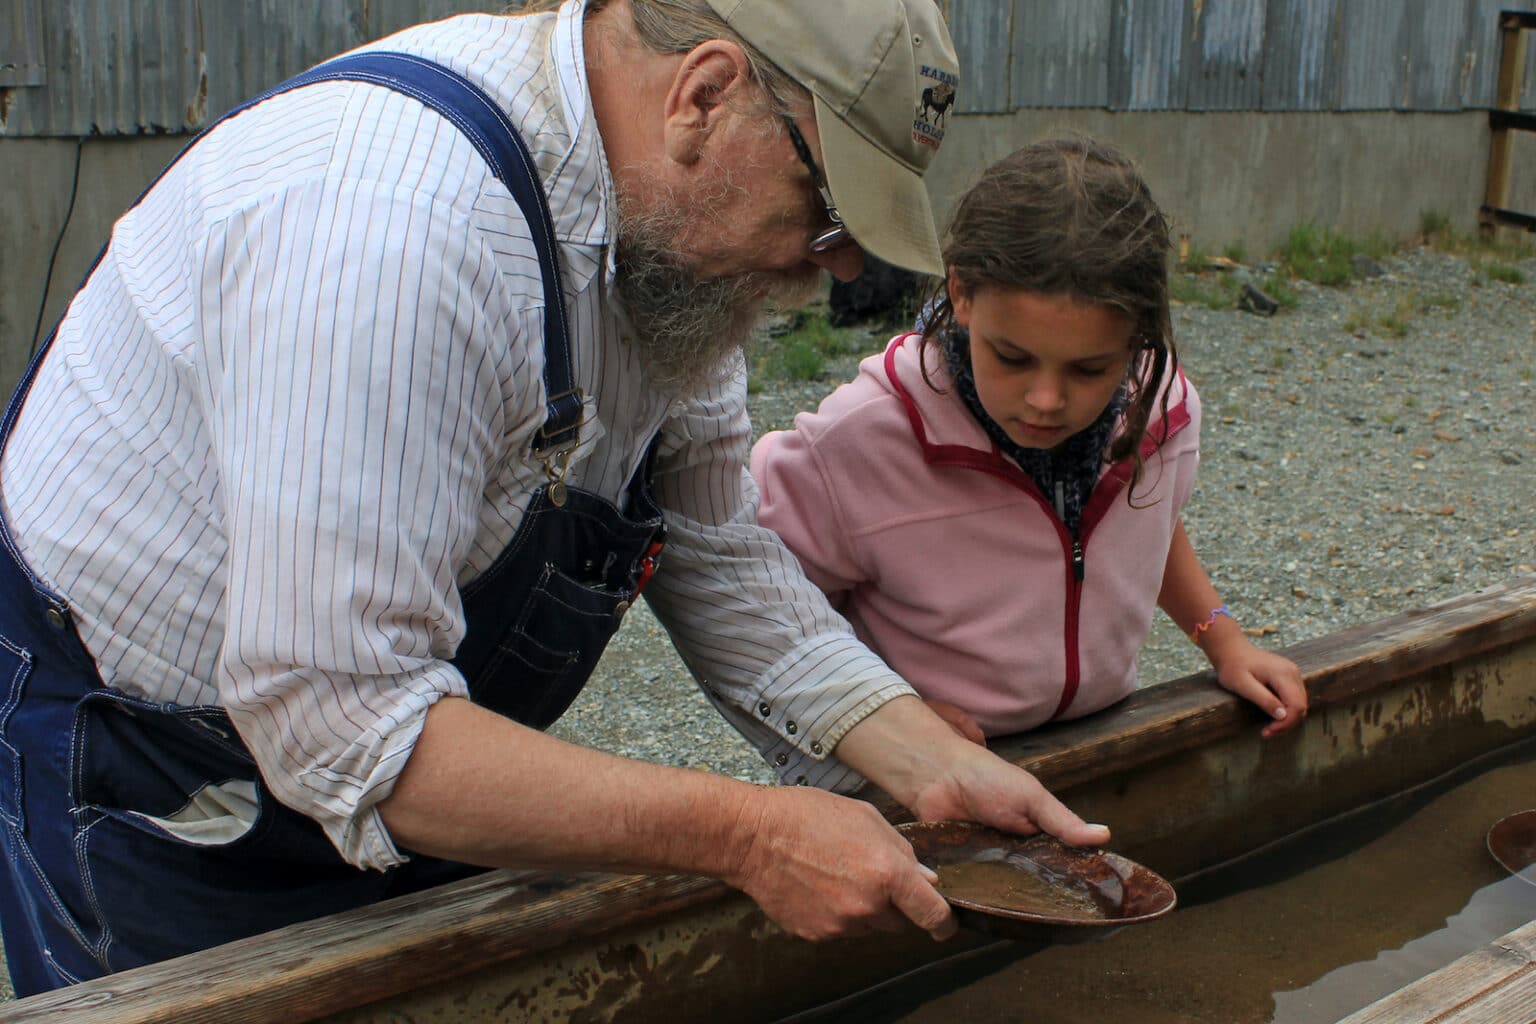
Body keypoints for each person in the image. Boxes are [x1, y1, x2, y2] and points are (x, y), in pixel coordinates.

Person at [0, 0, 1114, 997]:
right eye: (825, 206)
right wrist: (748, 834)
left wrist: (929, 759)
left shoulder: (674, 253)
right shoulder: (394, 231)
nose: (831, 266)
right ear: (706, 93)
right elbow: (342, 718)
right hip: (155, 757)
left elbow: (720, 554)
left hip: (394, 732)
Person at [750, 137, 1309, 785]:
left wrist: (1223, 637)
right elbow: (766, 602)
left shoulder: (1161, 408)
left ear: (1139, 338)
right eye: (1011, 358)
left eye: (1091, 368)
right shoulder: (857, 442)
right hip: (918, 778)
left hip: (1099, 747)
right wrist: (882, 713)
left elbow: (1145, 521)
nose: (1046, 401)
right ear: (960, 293)